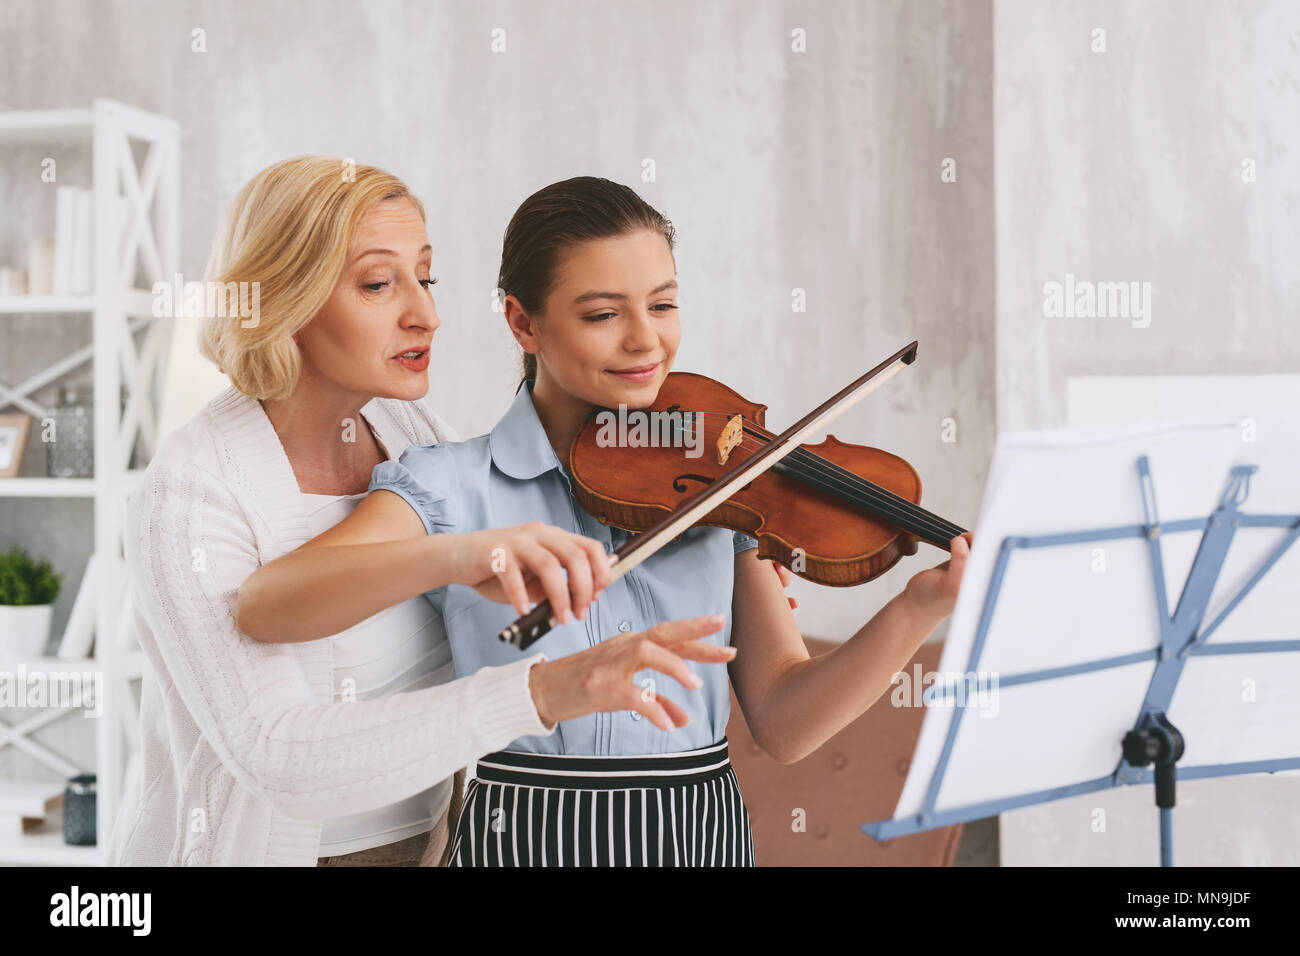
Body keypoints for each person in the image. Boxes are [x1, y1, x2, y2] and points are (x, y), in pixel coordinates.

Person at [236, 175, 972, 866]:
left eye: (662, 305)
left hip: (699, 835)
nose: (645, 341)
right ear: (523, 322)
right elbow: (272, 603)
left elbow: (785, 723)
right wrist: (465, 556)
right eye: (601, 314)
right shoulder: (453, 486)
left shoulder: (723, 481)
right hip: (526, 836)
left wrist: (920, 607)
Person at [110, 158, 733, 867]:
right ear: (284, 300)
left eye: (425, 277)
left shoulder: (411, 437)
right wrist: (534, 682)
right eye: (379, 284)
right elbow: (281, 759)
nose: (425, 314)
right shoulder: (190, 495)